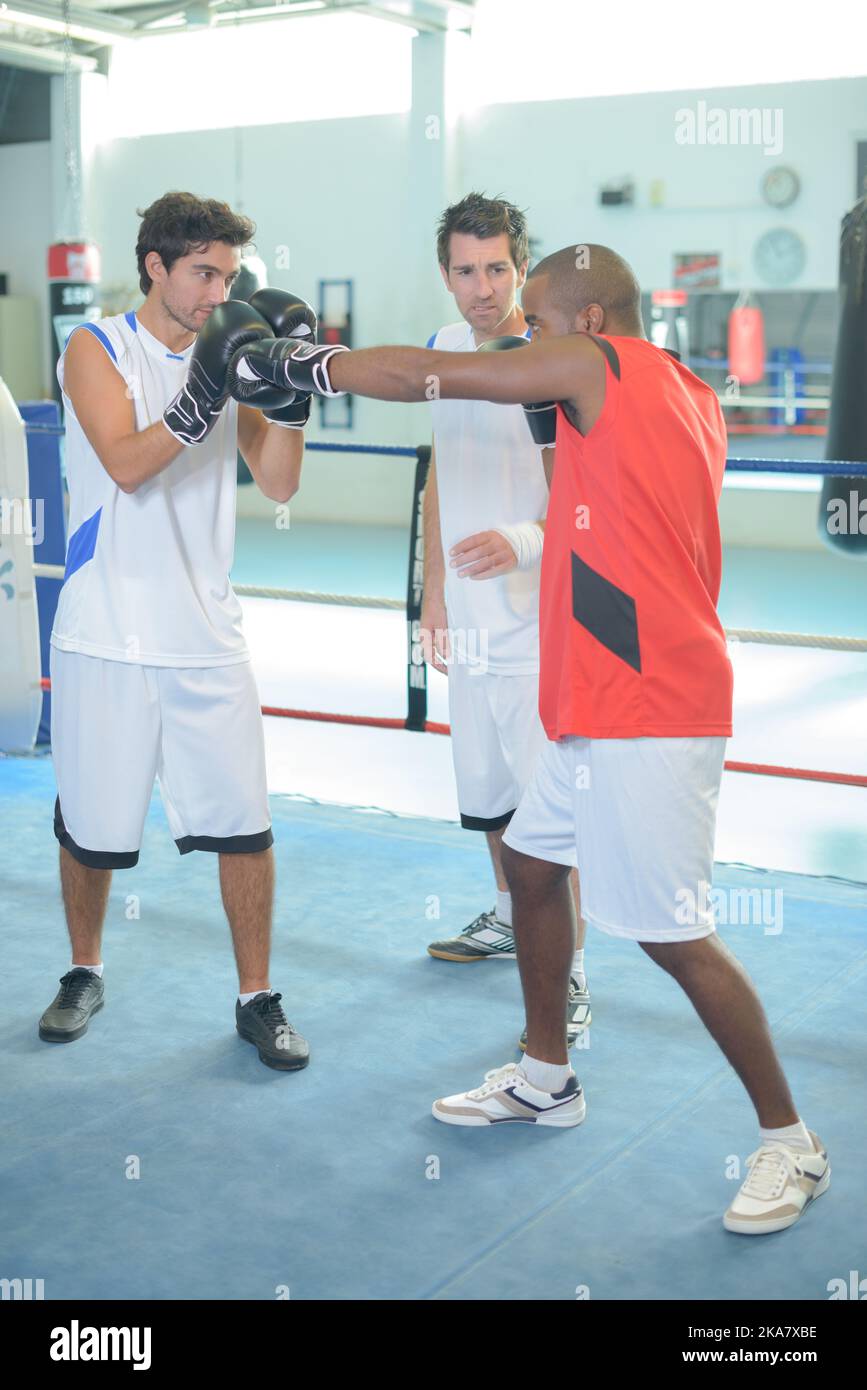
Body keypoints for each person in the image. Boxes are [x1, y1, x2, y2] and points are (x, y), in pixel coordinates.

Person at [228, 242, 830, 1233]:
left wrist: (305, 367)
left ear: (588, 323)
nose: (527, 340)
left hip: (650, 705)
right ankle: (547, 1076)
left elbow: (438, 377)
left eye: (539, 324)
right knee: (534, 869)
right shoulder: (686, 389)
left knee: (674, 934)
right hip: (603, 697)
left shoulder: (596, 365)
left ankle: (789, 1141)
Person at [39, 191, 314, 1072]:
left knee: (245, 828)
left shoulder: (231, 347)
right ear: (155, 266)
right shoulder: (93, 347)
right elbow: (123, 463)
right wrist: (204, 396)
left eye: (228, 276)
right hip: (105, 633)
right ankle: (84, 969)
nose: (216, 292)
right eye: (203, 272)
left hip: (206, 635)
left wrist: (294, 396)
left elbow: (275, 484)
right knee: (90, 826)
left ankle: (256, 995)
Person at [421, 193, 590, 1048]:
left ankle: (571, 976)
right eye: (465, 270)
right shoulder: (443, 350)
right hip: (470, 617)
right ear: (445, 274)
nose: (481, 288)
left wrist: (523, 538)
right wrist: (432, 593)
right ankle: (501, 918)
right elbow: (441, 473)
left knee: (545, 813)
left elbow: (590, 495)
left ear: (522, 268)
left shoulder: (555, 356)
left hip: (535, 625)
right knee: (488, 802)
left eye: (496, 268)